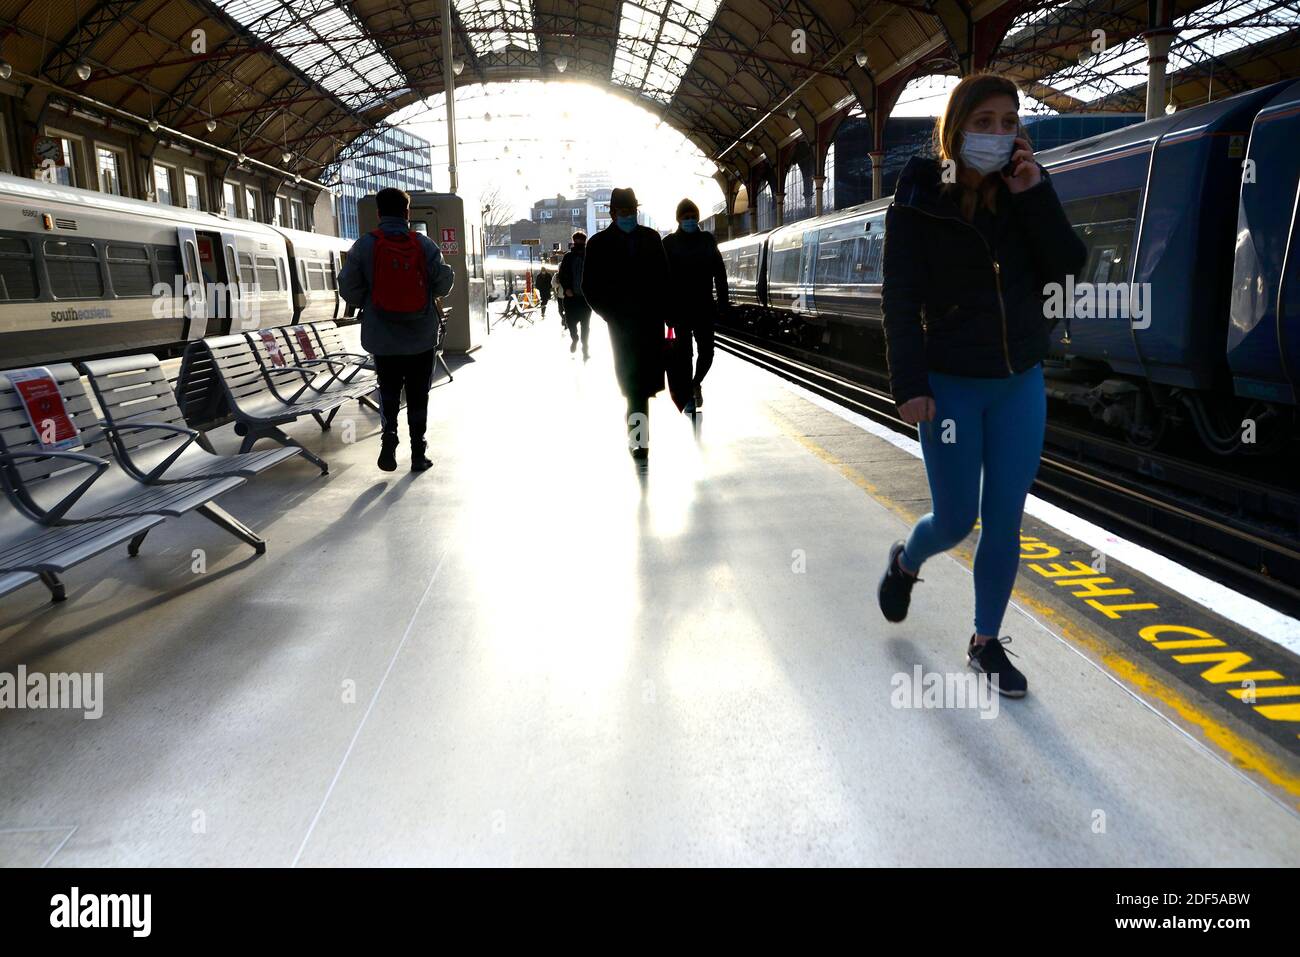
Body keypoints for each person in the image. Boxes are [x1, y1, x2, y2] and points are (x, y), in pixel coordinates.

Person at [877, 73, 1086, 698]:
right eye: (984, 121)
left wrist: (1035, 195)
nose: (998, 133)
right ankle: (906, 561)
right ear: (956, 127)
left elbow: (1069, 267)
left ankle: (985, 641)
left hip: (1019, 380)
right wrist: (909, 382)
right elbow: (899, 297)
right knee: (955, 519)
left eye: (1008, 122)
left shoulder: (1022, 191)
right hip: (951, 386)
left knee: (1005, 519)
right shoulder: (919, 196)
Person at [339, 187, 455, 473]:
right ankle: (418, 452)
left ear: (379, 213)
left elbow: (348, 289)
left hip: (382, 336)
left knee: (389, 391)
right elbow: (444, 284)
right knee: (418, 394)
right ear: (407, 213)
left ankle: (389, 438)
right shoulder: (424, 245)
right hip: (420, 336)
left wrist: (371, 298)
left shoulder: (365, 245)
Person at [582, 188, 671, 460]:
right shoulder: (597, 244)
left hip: (650, 322)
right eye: (624, 212)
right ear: (612, 213)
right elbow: (589, 287)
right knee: (633, 384)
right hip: (621, 325)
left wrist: (665, 312)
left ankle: (638, 437)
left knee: (641, 386)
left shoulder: (652, 238)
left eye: (632, 212)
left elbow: (665, 278)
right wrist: (610, 314)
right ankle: (639, 435)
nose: (629, 216)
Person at [662, 198, 728, 414]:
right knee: (684, 354)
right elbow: (661, 278)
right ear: (679, 219)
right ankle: (689, 393)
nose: (690, 220)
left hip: (704, 306)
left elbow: (720, 272)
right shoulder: (669, 243)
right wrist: (664, 309)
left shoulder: (707, 240)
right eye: (686, 217)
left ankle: (695, 382)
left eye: (692, 217)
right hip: (678, 309)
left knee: (707, 351)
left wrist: (723, 303)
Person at [557, 231, 591, 359]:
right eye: (576, 241)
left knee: (585, 325)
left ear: (584, 241)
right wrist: (566, 289)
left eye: (581, 241)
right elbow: (562, 274)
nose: (578, 243)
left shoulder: (590, 256)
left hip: (585, 298)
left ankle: (585, 348)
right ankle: (574, 338)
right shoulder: (568, 257)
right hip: (570, 298)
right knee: (570, 322)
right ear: (573, 241)